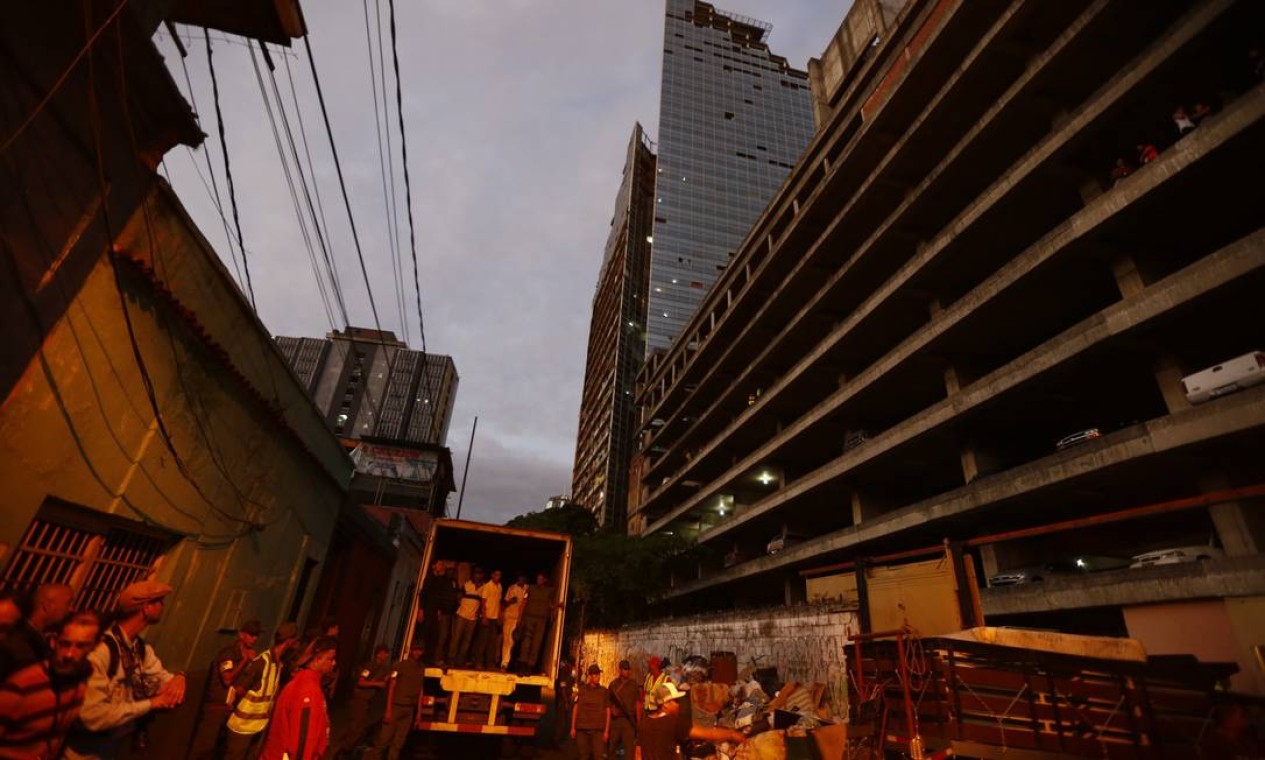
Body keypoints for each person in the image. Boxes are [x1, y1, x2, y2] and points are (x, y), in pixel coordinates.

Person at [65, 581, 186, 760]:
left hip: (110, 748)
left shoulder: (140, 648)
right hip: (80, 752)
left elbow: (162, 678)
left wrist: (179, 678)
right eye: (160, 601)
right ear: (147, 607)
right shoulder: (102, 650)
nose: (163, 606)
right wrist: (151, 704)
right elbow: (91, 717)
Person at [0, 611, 100, 759]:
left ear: (95, 646)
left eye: (81, 646)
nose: (69, 655)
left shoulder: (80, 683)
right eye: (65, 644)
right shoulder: (22, 686)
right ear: (54, 642)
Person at [223, 621, 300, 760]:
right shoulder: (262, 662)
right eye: (295, 641)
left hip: (257, 726)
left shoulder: (279, 664)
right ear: (289, 642)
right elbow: (238, 689)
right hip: (242, 726)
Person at [188, 619, 262, 760]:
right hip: (215, 710)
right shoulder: (229, 653)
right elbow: (227, 679)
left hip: (229, 711)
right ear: (241, 634)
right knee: (203, 750)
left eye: (256, 635)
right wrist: (245, 661)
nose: (254, 638)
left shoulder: (248, 656)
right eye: (251, 635)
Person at [259, 637, 337, 760]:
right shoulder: (308, 690)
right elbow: (303, 739)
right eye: (330, 659)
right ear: (317, 659)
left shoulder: (307, 682)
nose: (334, 663)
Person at [636, 683, 743, 760]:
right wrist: (732, 734)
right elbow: (707, 733)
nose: (678, 705)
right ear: (665, 704)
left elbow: (638, 755)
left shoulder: (644, 723)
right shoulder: (673, 722)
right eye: (675, 701)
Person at [0, 582, 73, 680]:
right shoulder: (21, 647)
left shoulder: (40, 640)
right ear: (47, 606)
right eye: (68, 603)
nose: (71, 609)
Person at [331, 644, 391, 757]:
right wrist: (377, 684)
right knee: (356, 727)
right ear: (378, 654)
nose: (387, 655)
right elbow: (361, 682)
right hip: (360, 700)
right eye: (385, 653)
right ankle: (341, 750)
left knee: (360, 727)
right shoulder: (370, 666)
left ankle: (345, 749)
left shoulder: (382, 668)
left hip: (367, 701)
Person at [370, 644, 425, 760]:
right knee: (384, 740)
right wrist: (388, 709)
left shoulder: (421, 668)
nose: (417, 653)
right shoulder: (400, 666)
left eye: (419, 650)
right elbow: (392, 687)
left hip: (409, 709)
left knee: (398, 743)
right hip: (396, 707)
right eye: (415, 650)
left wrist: (419, 713)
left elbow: (420, 690)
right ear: (411, 651)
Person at [418, 561, 458, 666]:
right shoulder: (430, 578)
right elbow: (423, 594)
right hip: (427, 609)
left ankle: (429, 660)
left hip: (436, 611)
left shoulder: (442, 580)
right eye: (439, 564)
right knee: (425, 635)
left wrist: (440, 610)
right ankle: (421, 659)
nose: (442, 566)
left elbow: (442, 595)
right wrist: (421, 610)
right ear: (434, 566)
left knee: (434, 636)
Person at [516, 572, 557, 674]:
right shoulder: (530, 588)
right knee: (526, 642)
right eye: (538, 578)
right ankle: (522, 664)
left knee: (536, 644)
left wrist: (557, 606)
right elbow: (524, 602)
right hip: (529, 617)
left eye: (541, 579)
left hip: (541, 620)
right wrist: (519, 618)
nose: (539, 580)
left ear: (545, 580)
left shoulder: (549, 591)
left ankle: (530, 666)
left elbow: (550, 604)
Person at [572, 664, 610, 760]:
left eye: (598, 674)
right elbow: (576, 707)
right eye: (595, 675)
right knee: (583, 756)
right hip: (582, 729)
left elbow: (608, 711)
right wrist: (573, 727)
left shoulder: (604, 691)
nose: (598, 677)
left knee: (598, 756)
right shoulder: (582, 690)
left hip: (597, 730)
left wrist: (606, 730)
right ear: (590, 676)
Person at [448, 567, 484, 667]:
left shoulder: (483, 587)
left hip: (473, 618)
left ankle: (460, 661)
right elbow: (458, 597)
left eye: (479, 574)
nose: (477, 576)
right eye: (476, 574)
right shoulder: (467, 585)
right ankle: (451, 659)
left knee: (467, 641)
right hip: (462, 615)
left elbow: (483, 602)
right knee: (456, 638)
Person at [607, 660, 640, 760]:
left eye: (628, 669)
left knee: (629, 749)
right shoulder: (613, 684)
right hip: (616, 721)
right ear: (620, 670)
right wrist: (612, 710)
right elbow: (608, 701)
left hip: (629, 721)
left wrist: (638, 721)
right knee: (612, 747)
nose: (627, 671)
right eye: (625, 669)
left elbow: (638, 702)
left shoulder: (634, 684)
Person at [473, 569, 503, 669]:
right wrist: (484, 617)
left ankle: (490, 663)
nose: (497, 577)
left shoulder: (499, 586)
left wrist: (499, 616)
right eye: (496, 575)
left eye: (499, 575)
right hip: (487, 617)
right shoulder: (487, 586)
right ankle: (478, 662)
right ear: (492, 575)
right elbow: (483, 602)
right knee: (482, 641)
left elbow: (498, 602)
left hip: (494, 618)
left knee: (492, 642)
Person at [500, 574, 528, 671]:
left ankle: (510, 662)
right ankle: (504, 663)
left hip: (519, 618)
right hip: (509, 616)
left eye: (523, 579)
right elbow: (505, 602)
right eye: (519, 578)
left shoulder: (527, 589)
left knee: (513, 641)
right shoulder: (511, 588)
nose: (521, 580)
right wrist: (510, 601)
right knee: (506, 640)